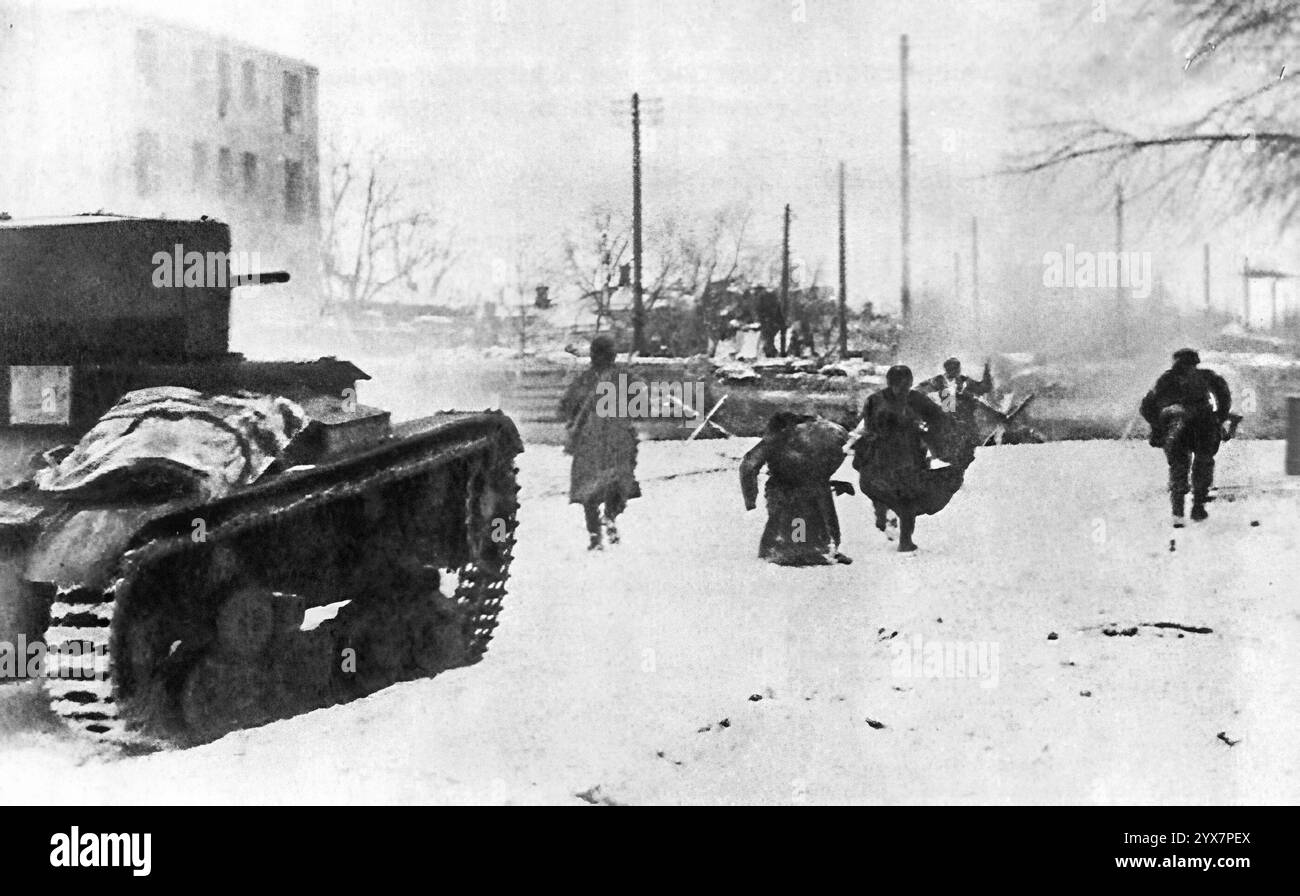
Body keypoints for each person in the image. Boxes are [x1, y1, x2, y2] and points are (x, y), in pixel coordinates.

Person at [851, 365, 967, 553]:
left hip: (889, 457)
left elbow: (938, 417)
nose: (902, 388)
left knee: (896, 494)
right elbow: (939, 418)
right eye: (900, 384)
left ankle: (893, 526)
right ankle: (899, 534)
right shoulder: (910, 398)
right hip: (901, 456)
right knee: (905, 497)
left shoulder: (878, 399)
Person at [559, 334, 641, 549]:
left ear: (594, 355)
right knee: (619, 481)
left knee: (588, 490)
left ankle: (595, 536)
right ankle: (611, 515)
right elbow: (640, 403)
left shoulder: (585, 379)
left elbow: (566, 406)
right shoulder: (624, 377)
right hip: (619, 438)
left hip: (590, 440)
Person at [740, 412, 854, 566]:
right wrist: (825, 478)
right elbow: (841, 453)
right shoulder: (833, 430)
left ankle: (796, 551)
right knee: (817, 510)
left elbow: (749, 465)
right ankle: (825, 548)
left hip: (787, 487)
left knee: (792, 520)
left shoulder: (780, 435)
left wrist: (750, 500)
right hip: (818, 485)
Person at [1139, 348, 1233, 526]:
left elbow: (1146, 406)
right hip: (1204, 427)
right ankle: (1198, 507)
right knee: (1203, 466)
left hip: (1177, 429)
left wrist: (1159, 425)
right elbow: (1224, 395)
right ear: (1195, 362)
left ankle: (1178, 513)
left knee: (1178, 469)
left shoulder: (1166, 379)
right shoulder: (1206, 377)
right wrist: (1219, 417)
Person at [918, 357, 993, 465]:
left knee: (972, 447)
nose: (955, 372)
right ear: (947, 369)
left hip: (966, 420)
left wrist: (987, 370)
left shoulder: (964, 381)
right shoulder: (939, 381)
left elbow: (984, 388)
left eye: (956, 369)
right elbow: (919, 390)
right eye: (951, 369)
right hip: (949, 421)